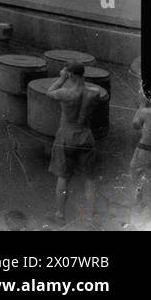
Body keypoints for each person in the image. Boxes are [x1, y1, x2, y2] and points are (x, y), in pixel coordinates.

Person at [47, 62, 106, 225]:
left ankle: (60, 215)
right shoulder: (94, 93)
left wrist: (62, 78)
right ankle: (90, 218)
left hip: (66, 134)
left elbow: (49, 92)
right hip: (85, 135)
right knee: (90, 179)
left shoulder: (65, 93)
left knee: (63, 177)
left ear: (70, 74)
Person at [129, 90, 151, 230]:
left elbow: (135, 125)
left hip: (144, 150)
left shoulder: (147, 112)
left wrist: (141, 106)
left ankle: (138, 206)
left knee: (136, 178)